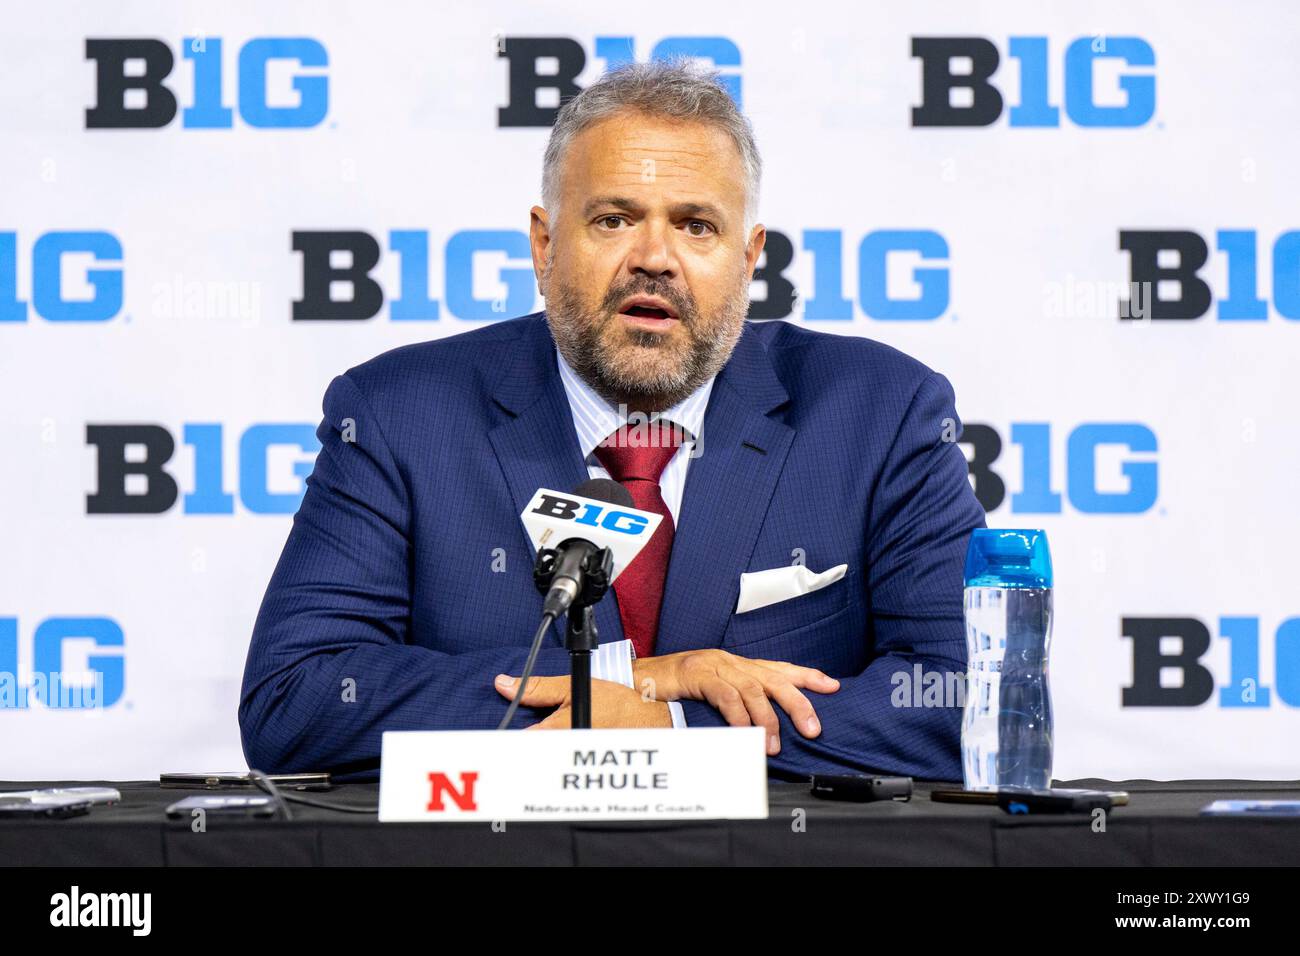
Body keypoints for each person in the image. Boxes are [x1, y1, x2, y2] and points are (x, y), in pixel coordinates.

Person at [239, 60, 985, 782]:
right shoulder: (399, 414)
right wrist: (632, 682)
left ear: (750, 257)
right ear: (544, 245)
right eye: (613, 219)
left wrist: (668, 725)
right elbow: (296, 697)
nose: (654, 258)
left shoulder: (880, 413)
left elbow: (970, 699)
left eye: (696, 226)